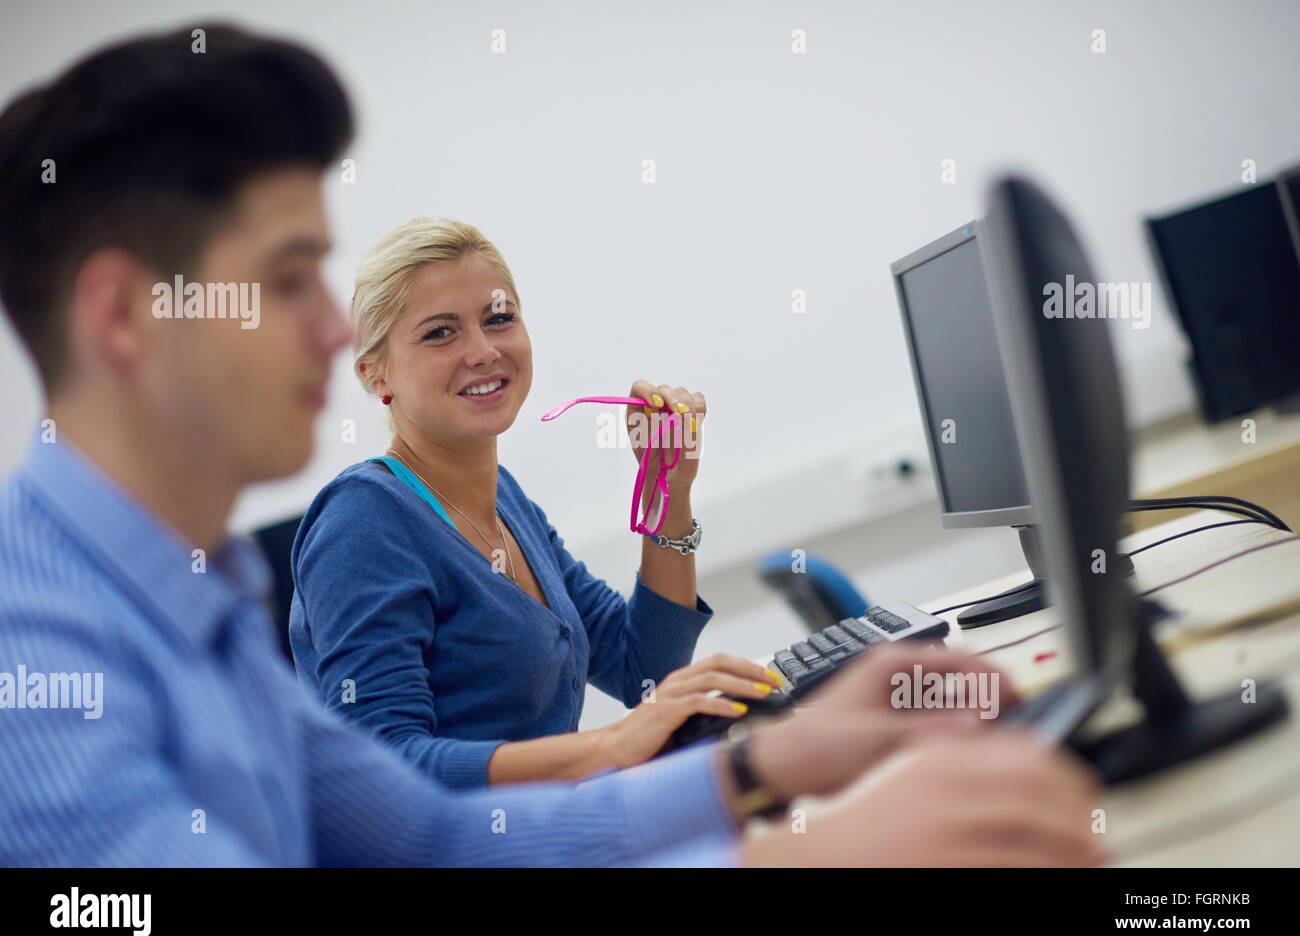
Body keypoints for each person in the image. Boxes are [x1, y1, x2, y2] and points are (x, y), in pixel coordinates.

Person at [0, 23, 1105, 867]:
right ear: (126, 319)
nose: (332, 331)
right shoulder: (37, 653)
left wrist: (768, 762)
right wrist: (801, 851)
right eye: (291, 281)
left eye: (498, 315)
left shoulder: (200, 592)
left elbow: (434, 834)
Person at [289, 216, 778, 788]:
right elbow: (386, 772)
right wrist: (608, 748)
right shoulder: (365, 520)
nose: (482, 350)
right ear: (376, 374)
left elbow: (643, 669)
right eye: (440, 333)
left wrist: (666, 488)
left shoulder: (506, 500)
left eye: (499, 319)